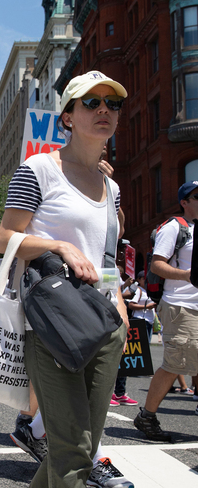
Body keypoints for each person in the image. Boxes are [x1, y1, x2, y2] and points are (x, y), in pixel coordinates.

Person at [0, 70, 131, 487]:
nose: (104, 110)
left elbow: (106, 255)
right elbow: (5, 238)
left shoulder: (111, 187)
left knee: (77, 446)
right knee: (73, 449)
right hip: (53, 321)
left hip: (106, 321)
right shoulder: (39, 169)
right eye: (91, 103)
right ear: (68, 117)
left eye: (112, 103)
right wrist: (59, 247)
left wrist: (121, 316)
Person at [134, 181, 198, 441]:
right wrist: (187, 275)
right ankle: (147, 417)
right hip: (181, 305)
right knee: (175, 364)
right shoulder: (175, 228)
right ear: (185, 201)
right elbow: (157, 264)